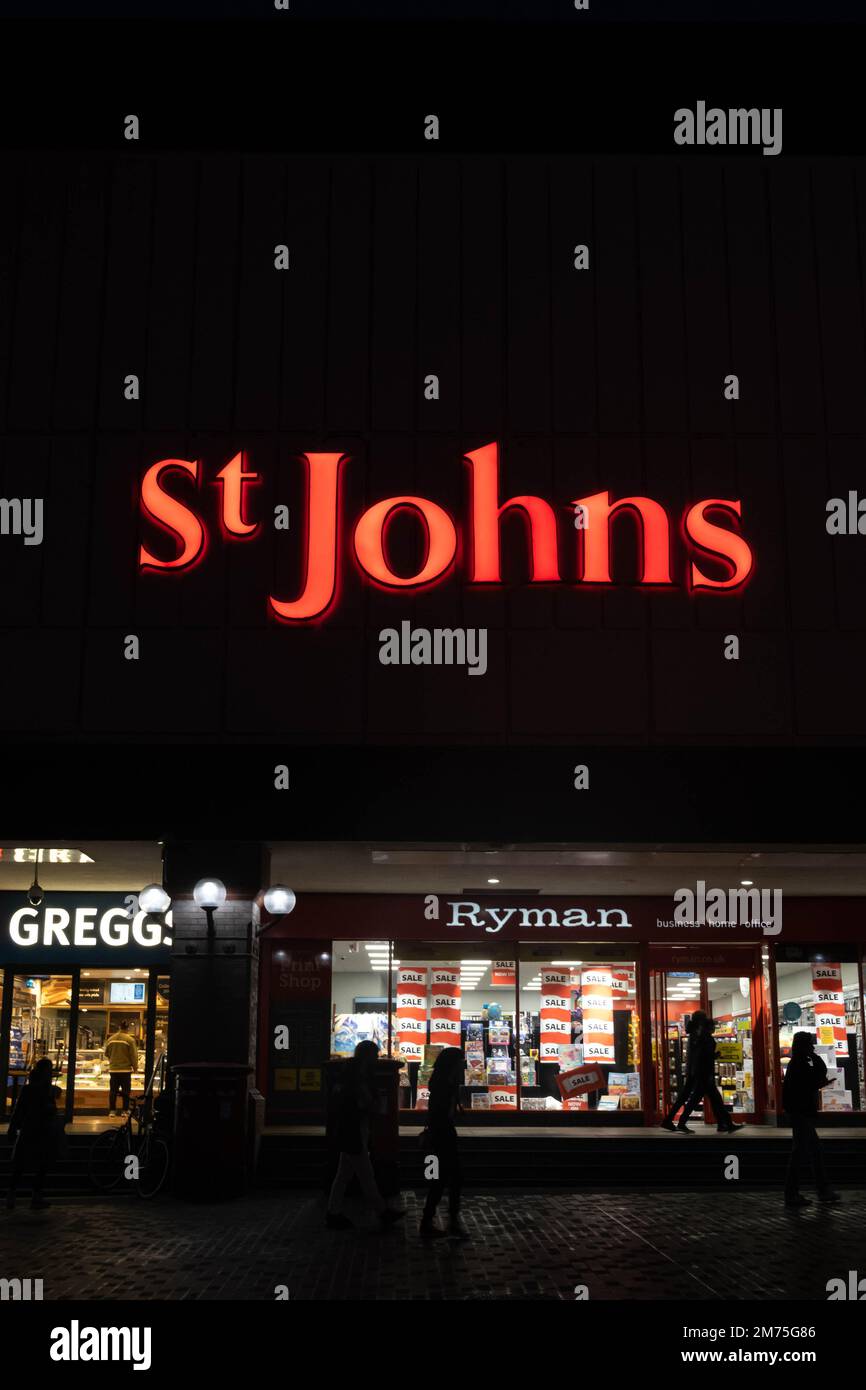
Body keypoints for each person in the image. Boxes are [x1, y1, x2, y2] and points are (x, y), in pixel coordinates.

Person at [326, 1040, 404, 1230]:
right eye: (375, 1055)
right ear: (368, 1056)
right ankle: (382, 1211)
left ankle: (333, 1212)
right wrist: (372, 1105)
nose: (377, 1059)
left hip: (351, 1128)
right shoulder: (358, 1076)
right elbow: (362, 1100)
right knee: (366, 1174)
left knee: (343, 1174)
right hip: (355, 1129)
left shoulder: (348, 1072)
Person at [783, 1031, 841, 1208]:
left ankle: (820, 1189)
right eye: (810, 1044)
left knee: (812, 1151)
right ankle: (796, 1192)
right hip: (801, 1113)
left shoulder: (797, 1063)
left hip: (800, 1112)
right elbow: (814, 1078)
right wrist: (814, 1057)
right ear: (804, 1046)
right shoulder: (800, 1064)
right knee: (802, 1152)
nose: (813, 1047)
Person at [420, 1046, 468, 1240]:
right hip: (442, 1135)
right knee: (443, 1179)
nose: (462, 1066)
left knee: (444, 1179)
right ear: (452, 1064)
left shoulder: (446, 1082)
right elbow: (439, 1112)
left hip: (442, 1134)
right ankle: (441, 1222)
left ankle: (435, 1220)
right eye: (460, 1062)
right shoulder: (443, 1085)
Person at [5, 1057, 64, 1211]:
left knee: (21, 1165)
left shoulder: (29, 1088)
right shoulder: (47, 1090)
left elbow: (19, 1111)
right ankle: (35, 1196)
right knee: (41, 1165)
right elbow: (51, 1107)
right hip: (42, 1131)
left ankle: (11, 1196)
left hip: (28, 1129)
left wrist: (13, 1127)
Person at [674, 1010, 744, 1135]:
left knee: (710, 1100)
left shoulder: (699, 1036)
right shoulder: (706, 1038)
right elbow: (704, 1056)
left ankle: (723, 1124)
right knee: (713, 1100)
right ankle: (726, 1124)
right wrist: (715, 1055)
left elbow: (699, 1055)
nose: (714, 1029)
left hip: (701, 1074)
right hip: (705, 1074)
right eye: (713, 1027)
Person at [661, 1013, 709, 1132]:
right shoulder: (697, 1034)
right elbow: (697, 1054)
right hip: (697, 1071)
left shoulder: (693, 1033)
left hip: (693, 1070)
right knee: (691, 1097)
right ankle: (678, 1121)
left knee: (684, 1097)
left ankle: (671, 1120)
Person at [103, 1019, 139, 1115]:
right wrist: (135, 1068)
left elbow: (106, 1053)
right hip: (125, 1070)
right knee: (126, 1092)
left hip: (113, 1070)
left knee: (113, 1091)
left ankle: (112, 1111)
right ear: (127, 1029)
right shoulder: (130, 1040)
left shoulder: (110, 1039)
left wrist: (113, 1059)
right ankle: (124, 1111)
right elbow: (134, 1055)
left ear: (119, 1027)